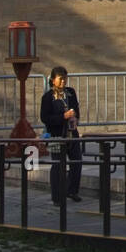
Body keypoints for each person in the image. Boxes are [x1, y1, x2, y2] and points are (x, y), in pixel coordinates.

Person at [40, 66, 82, 205]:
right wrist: (62, 117)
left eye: (65, 78)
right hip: (56, 134)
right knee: (58, 165)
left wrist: (74, 117)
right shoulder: (48, 97)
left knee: (77, 161)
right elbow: (45, 118)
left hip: (72, 132)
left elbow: (76, 109)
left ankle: (72, 190)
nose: (63, 81)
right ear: (53, 80)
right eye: (60, 78)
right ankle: (57, 196)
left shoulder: (70, 93)